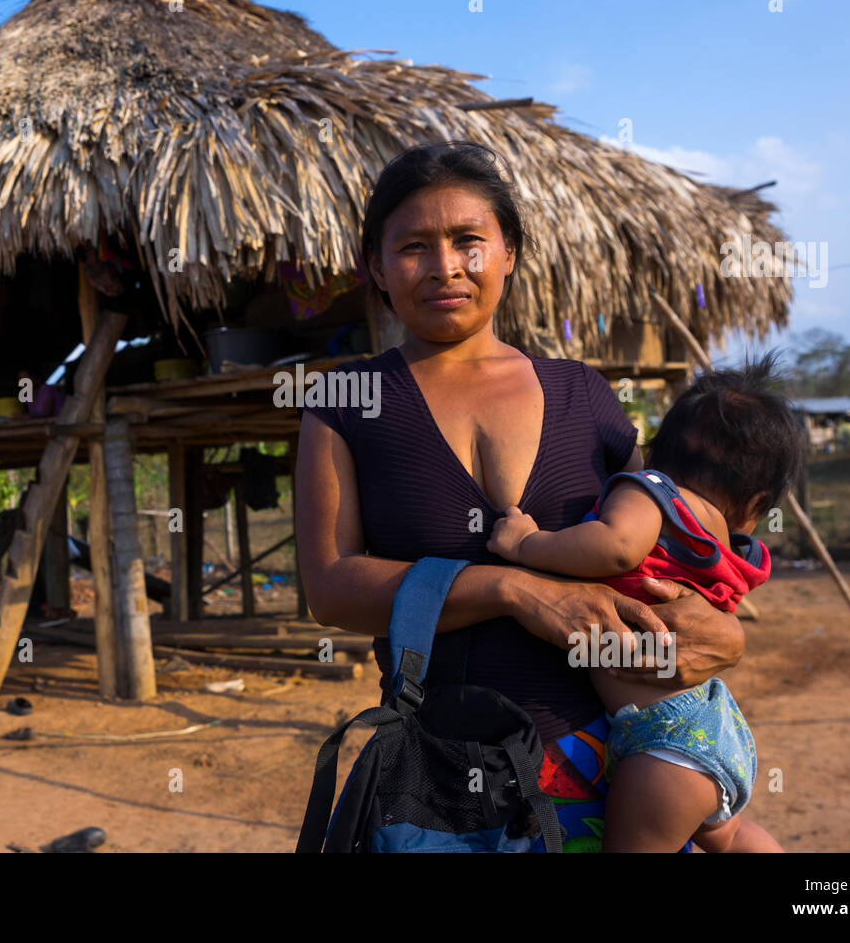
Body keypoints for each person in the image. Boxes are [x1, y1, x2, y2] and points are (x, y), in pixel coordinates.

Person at [295, 140, 779, 852]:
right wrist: (514, 590)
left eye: (469, 241)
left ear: (510, 250)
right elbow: (333, 590)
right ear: (376, 265)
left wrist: (725, 632)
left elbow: (660, 553)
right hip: (443, 783)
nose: (445, 267)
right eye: (414, 247)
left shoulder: (584, 394)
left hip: (610, 773)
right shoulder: (344, 401)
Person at [488, 355, 803, 850]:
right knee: (732, 836)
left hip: (663, 744)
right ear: (755, 505)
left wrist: (526, 545)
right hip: (710, 727)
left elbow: (616, 546)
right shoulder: (718, 543)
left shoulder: (651, 493)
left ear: (653, 456)